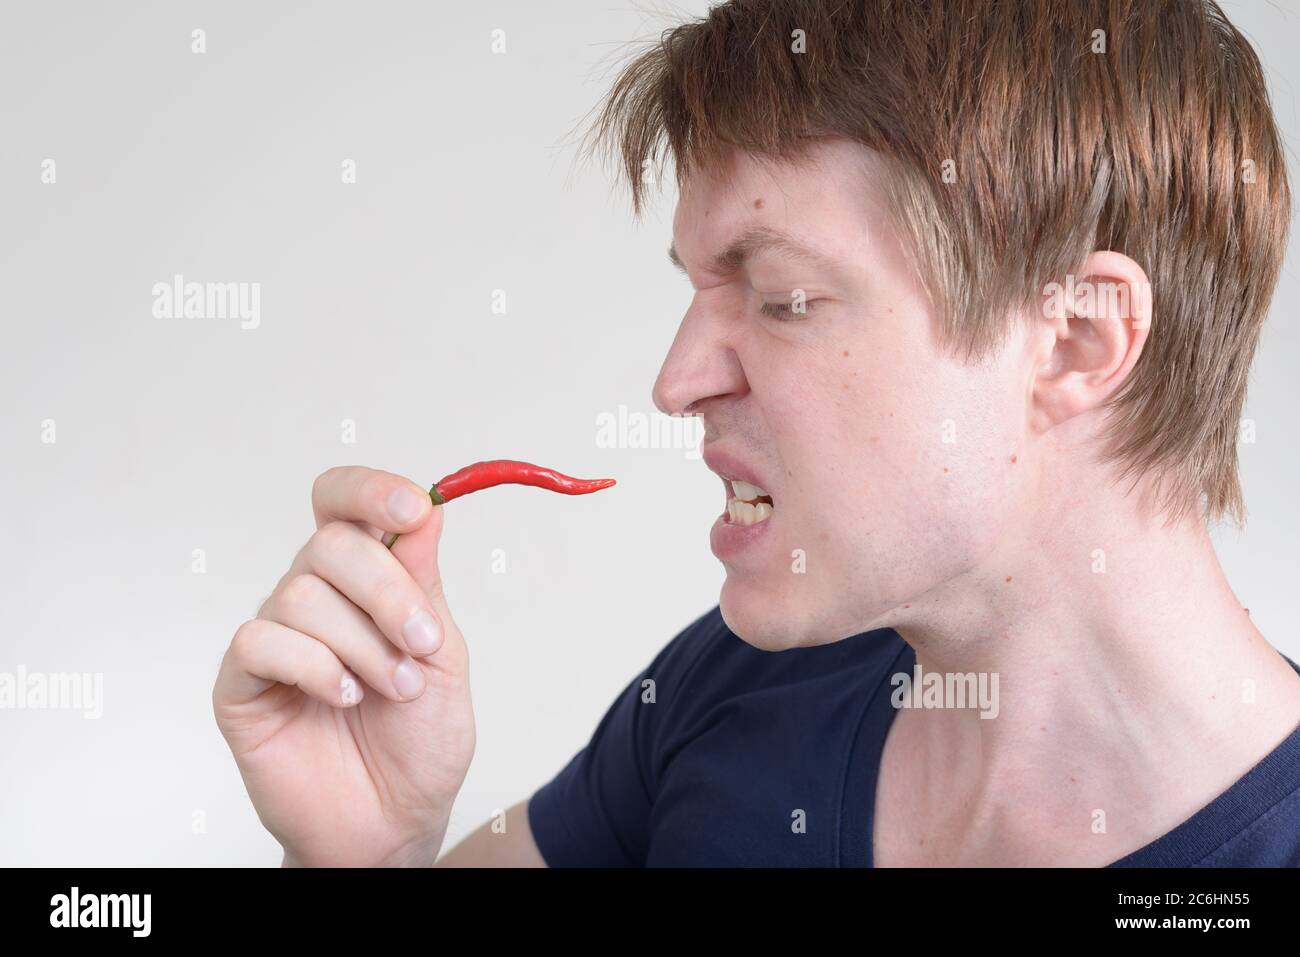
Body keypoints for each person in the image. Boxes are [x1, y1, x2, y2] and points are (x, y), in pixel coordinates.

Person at [212, 0, 1300, 866]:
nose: (675, 381)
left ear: (1072, 341)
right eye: (696, 290)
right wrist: (370, 854)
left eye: (781, 298)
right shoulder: (728, 688)